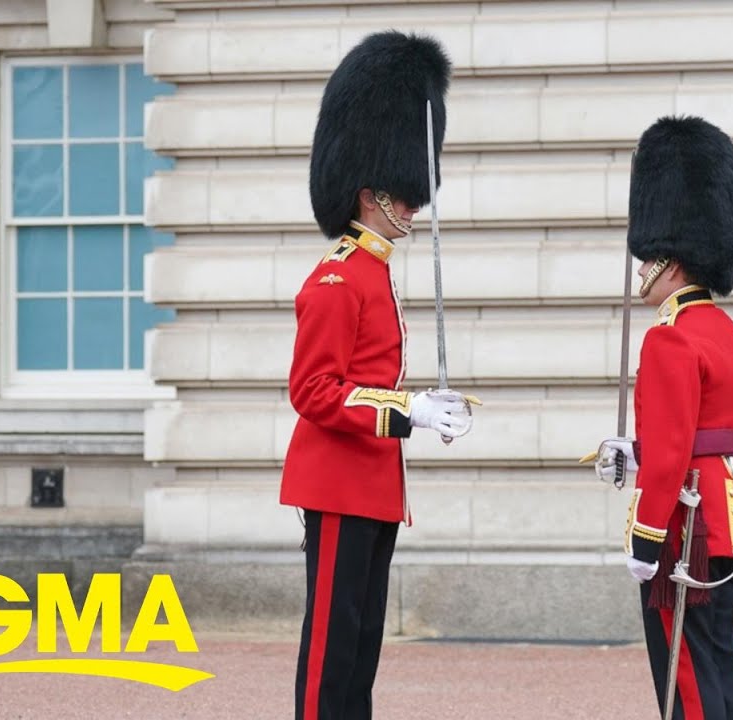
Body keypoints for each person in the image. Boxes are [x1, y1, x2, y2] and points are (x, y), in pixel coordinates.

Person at [279, 31, 476, 720]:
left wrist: (426, 406)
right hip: (336, 481)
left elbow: (371, 380)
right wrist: (408, 412)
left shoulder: (374, 274)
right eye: (403, 196)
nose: (414, 209)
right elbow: (312, 392)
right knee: (333, 646)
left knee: (361, 645)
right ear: (371, 195)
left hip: (372, 482)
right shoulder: (338, 277)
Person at [595, 116, 733, 720]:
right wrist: (635, 451)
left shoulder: (669, 340)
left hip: (681, 532)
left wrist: (645, 536)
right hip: (726, 522)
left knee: (683, 676)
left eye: (649, 260)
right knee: (718, 660)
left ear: (671, 261)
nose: (643, 272)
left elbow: (670, 457)